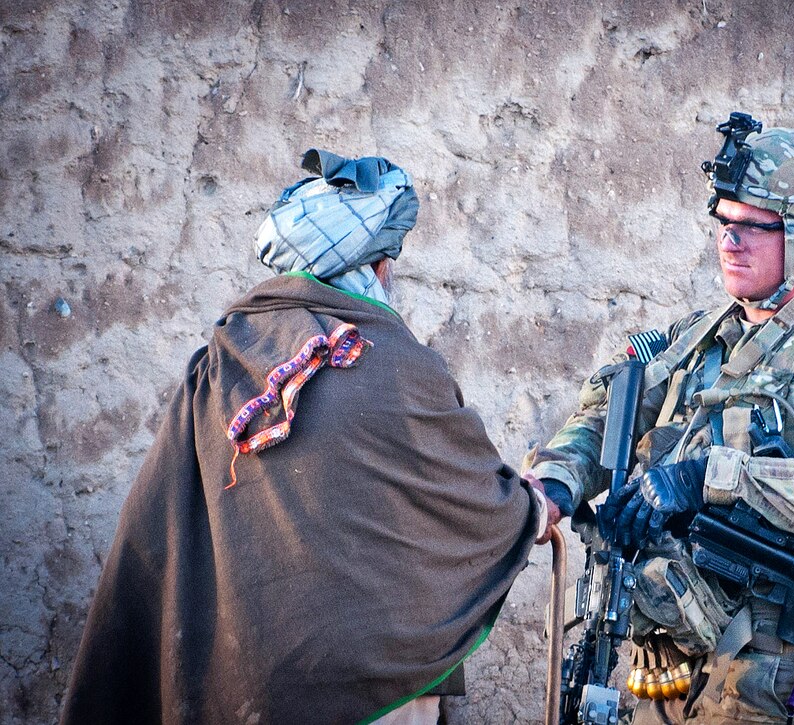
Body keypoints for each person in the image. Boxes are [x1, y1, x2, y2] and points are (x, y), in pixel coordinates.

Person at [61, 149, 557, 725]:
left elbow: (155, 530)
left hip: (242, 691)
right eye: (390, 258)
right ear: (376, 268)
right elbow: (475, 507)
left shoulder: (218, 368)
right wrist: (534, 508)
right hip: (374, 695)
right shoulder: (397, 365)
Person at [524, 114, 794, 724]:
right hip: (671, 657)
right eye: (723, 224)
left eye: (751, 227)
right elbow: (613, 414)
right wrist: (555, 486)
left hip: (779, 676)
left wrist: (711, 477)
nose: (728, 242)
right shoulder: (701, 336)